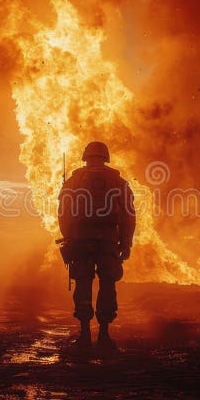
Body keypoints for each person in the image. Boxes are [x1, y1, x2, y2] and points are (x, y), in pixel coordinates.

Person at [58, 141, 135, 350]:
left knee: (83, 283)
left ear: (85, 157)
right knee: (108, 284)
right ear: (105, 157)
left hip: (80, 240)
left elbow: (63, 213)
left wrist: (70, 237)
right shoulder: (118, 182)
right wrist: (126, 242)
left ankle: (84, 335)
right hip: (108, 242)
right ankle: (104, 335)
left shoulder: (73, 181)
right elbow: (128, 215)